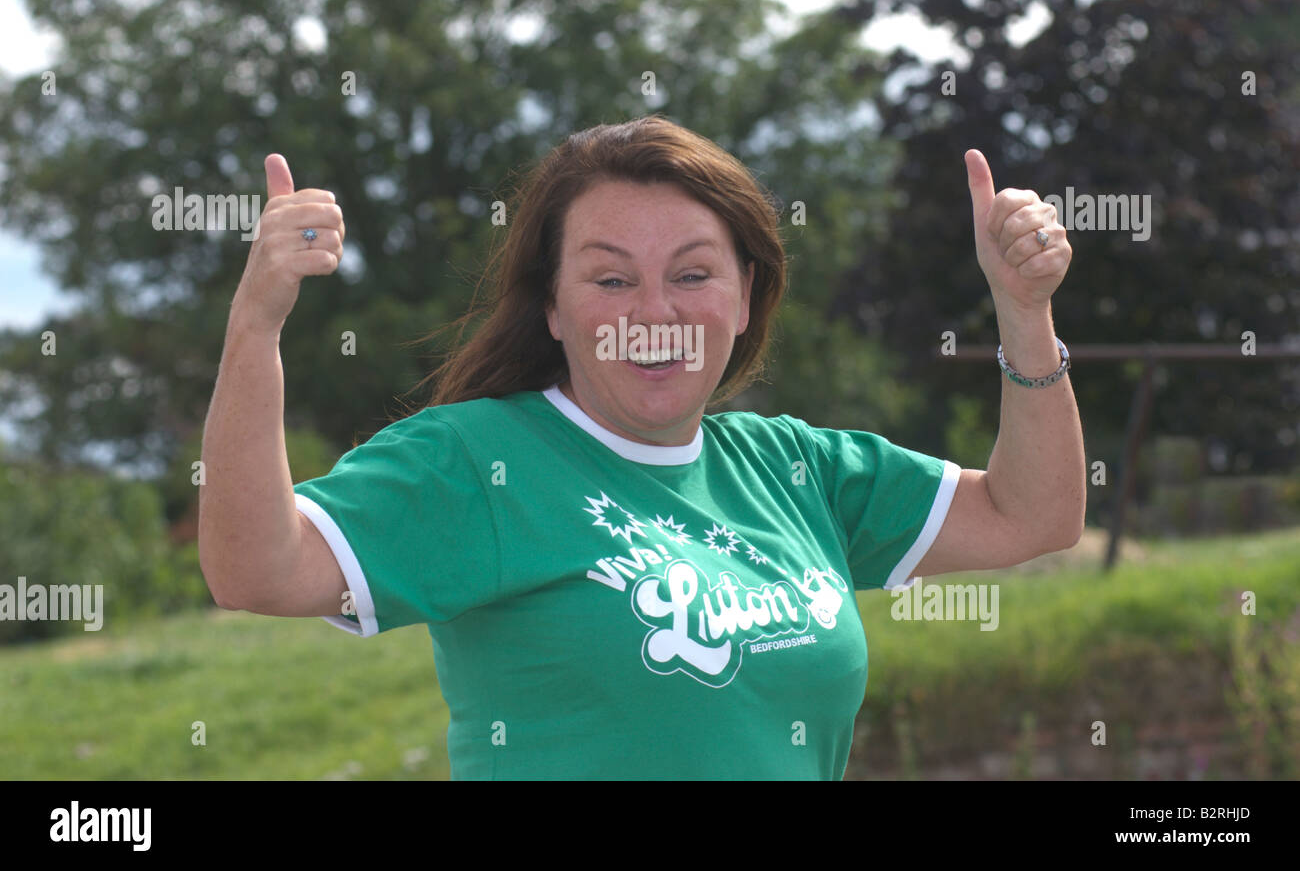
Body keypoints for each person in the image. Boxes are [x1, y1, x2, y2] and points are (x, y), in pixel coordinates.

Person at [198, 115, 1085, 780]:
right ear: (554, 307)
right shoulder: (478, 460)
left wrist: (1024, 312)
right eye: (611, 278)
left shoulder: (795, 469)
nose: (653, 314)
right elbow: (255, 570)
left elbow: (1034, 514)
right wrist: (255, 324)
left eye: (692, 275)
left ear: (745, 298)